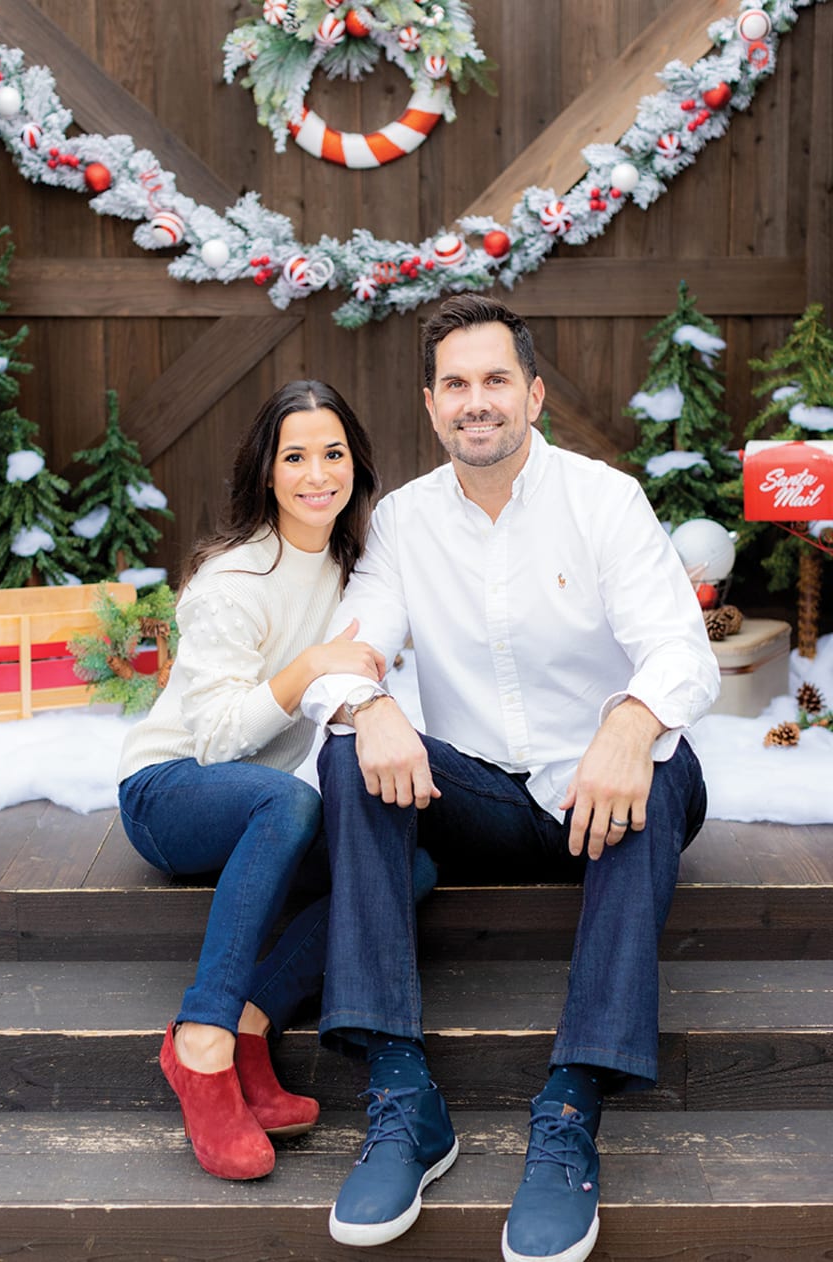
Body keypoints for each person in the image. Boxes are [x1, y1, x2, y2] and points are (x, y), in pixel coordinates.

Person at [300, 294, 720, 1262]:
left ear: (531, 394)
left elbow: (682, 654)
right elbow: (342, 656)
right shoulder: (400, 522)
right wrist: (369, 707)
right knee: (346, 747)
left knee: (662, 761)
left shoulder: (601, 500)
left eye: (494, 380)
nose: (474, 401)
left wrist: (629, 717)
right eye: (455, 384)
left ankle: (570, 1105)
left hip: (608, 796)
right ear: (430, 403)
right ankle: (404, 1096)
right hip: (484, 798)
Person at [117, 379, 385, 1182]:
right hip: (171, 791)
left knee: (406, 863)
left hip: (264, 809)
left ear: (355, 464)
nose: (316, 474)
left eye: (332, 453)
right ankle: (200, 1042)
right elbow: (217, 738)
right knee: (289, 799)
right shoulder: (232, 584)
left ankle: (251, 1021)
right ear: (265, 473)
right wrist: (309, 667)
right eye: (294, 456)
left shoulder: (354, 567)